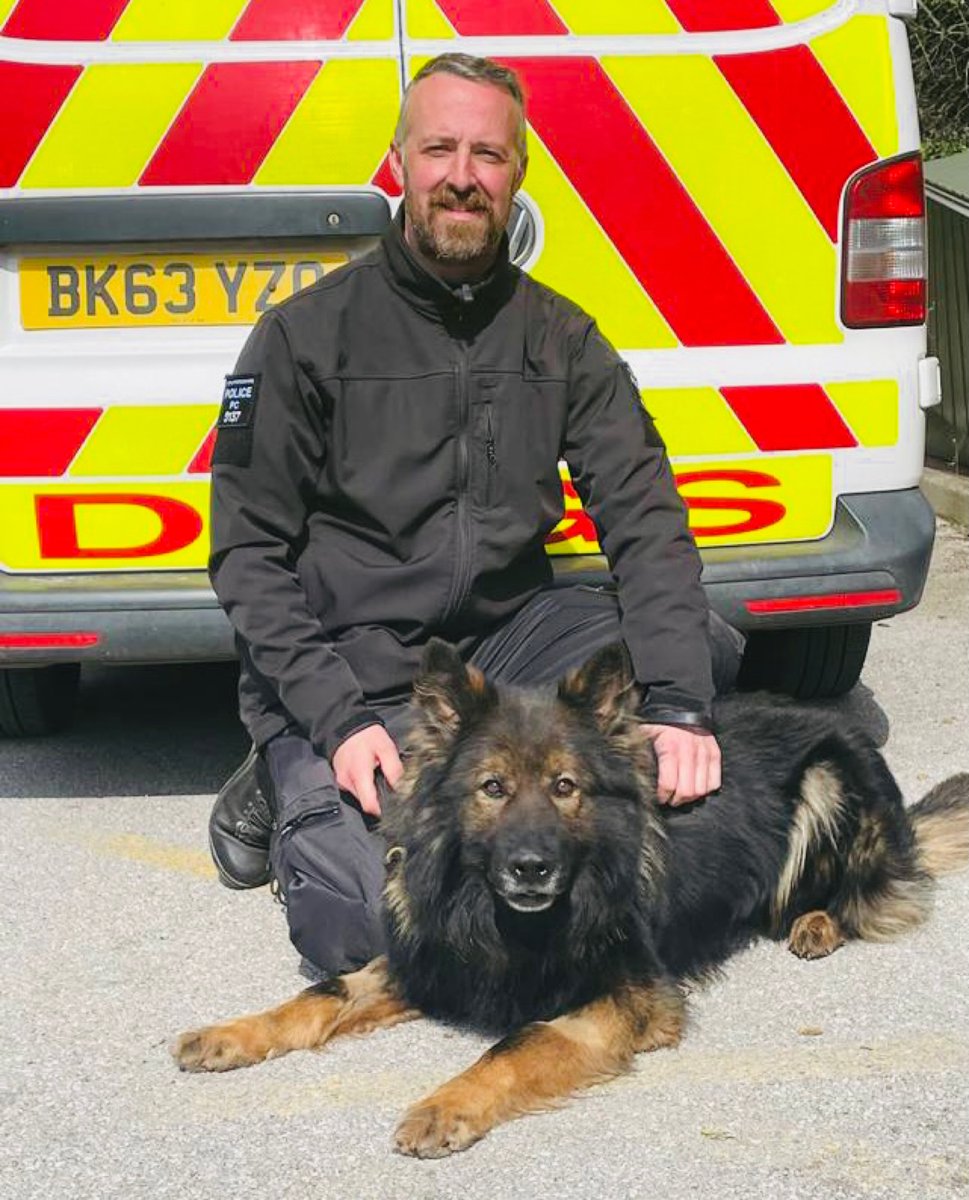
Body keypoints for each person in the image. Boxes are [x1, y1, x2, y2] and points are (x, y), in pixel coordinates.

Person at [206, 53, 745, 980]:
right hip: (357, 669)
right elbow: (246, 553)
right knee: (371, 933)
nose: (463, 175)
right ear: (399, 165)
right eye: (440, 149)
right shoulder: (303, 336)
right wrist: (334, 720)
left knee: (698, 644)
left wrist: (683, 710)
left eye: (488, 154)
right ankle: (277, 777)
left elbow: (645, 518)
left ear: (518, 174)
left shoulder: (562, 337)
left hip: (506, 652)